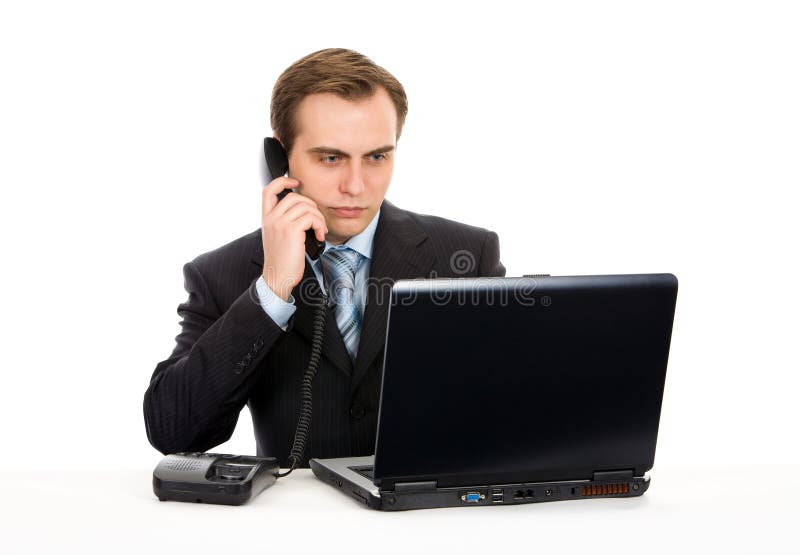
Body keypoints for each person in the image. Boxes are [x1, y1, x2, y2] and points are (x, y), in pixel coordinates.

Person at [143, 48, 505, 468]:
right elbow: (173, 429)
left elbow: (514, 407)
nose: (355, 186)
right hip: (298, 526)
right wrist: (273, 289)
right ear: (280, 160)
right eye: (330, 158)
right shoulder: (220, 274)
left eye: (376, 157)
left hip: (432, 521)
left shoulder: (467, 254)